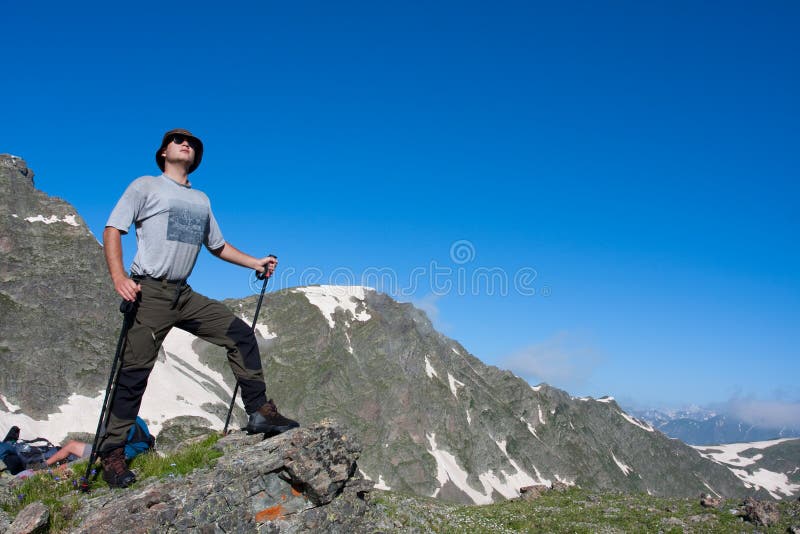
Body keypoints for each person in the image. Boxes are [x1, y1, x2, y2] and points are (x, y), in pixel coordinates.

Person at [100, 128, 299, 488]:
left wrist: (255, 262)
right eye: (177, 140)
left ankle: (260, 412)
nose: (185, 143)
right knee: (133, 375)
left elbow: (218, 246)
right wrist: (118, 277)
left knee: (240, 334)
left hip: (184, 295)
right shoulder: (144, 186)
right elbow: (114, 228)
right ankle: (111, 454)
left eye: (190, 143)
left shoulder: (202, 201)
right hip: (150, 293)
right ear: (163, 153)